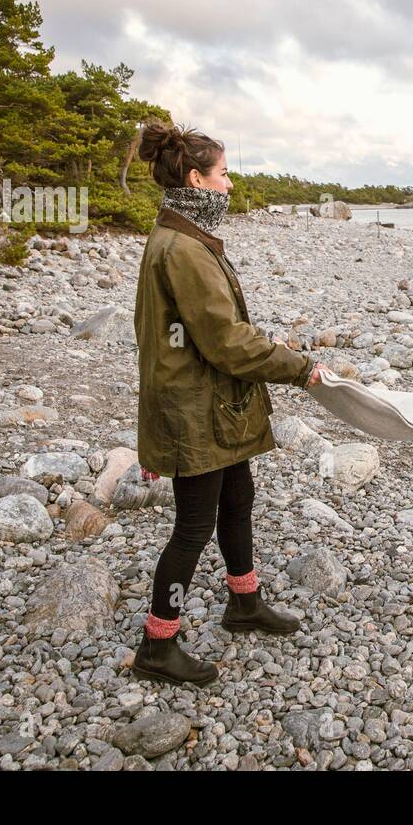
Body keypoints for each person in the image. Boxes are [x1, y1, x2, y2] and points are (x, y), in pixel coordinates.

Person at [131, 120, 327, 686]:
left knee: (238, 497)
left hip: (214, 403)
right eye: (222, 173)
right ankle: (157, 642)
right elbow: (225, 341)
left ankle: (244, 603)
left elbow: (214, 335)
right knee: (192, 527)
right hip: (193, 409)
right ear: (196, 178)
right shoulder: (183, 249)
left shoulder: (184, 235)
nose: (230, 184)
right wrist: (301, 368)